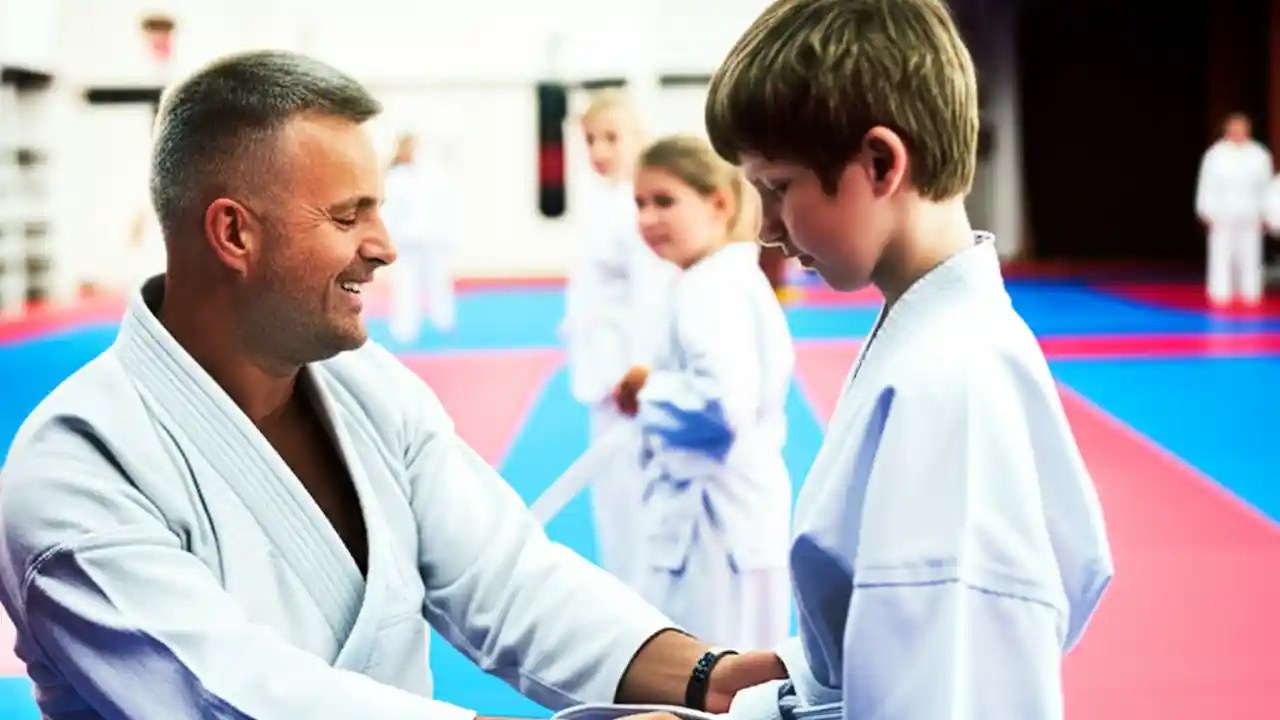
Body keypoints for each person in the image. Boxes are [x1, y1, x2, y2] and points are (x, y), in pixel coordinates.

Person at [0, 50, 785, 720]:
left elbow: (506, 579)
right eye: (349, 216)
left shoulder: (366, 386)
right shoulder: (75, 471)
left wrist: (705, 678)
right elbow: (236, 696)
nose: (384, 246)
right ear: (233, 232)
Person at [700, 0, 1115, 717]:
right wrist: (791, 673)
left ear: (880, 163)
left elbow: (937, 690)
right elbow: (897, 632)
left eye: (776, 187)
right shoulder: (930, 336)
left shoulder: (951, 385)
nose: (764, 227)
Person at [613, 135, 794, 651]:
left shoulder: (711, 286)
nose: (648, 219)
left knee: (707, 674)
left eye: (665, 201)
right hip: (736, 517)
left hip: (712, 530)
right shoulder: (727, 276)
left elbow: (725, 403)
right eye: (640, 204)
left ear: (719, 201)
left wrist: (648, 392)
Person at [562, 89, 677, 588]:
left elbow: (654, 297)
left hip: (628, 383)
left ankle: (646, 618)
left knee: (634, 514)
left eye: (612, 137)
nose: (600, 150)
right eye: (590, 139)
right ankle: (634, 603)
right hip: (601, 375)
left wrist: (640, 373)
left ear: (640, 139)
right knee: (614, 513)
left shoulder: (640, 208)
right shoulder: (603, 203)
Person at [383, 131, 459, 342]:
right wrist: (389, 238)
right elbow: (389, 211)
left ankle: (444, 322)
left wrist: (447, 236)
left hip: (433, 240)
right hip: (407, 241)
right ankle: (404, 330)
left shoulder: (431, 175)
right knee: (405, 285)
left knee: (439, 281)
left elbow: (443, 207)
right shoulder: (394, 177)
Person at [1194, 112, 1273, 307]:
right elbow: (1206, 183)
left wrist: (1268, 213)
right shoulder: (1215, 154)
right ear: (1227, 130)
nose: (1238, 131)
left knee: (1251, 252)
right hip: (1222, 211)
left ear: (1249, 130)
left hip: (1251, 210)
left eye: (1242, 128)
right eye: (1234, 127)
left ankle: (1250, 291)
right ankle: (1220, 292)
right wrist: (1205, 210)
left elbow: (1266, 186)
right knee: (1221, 252)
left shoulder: (1259, 154)